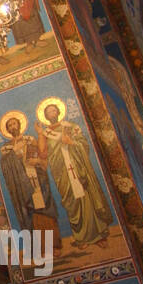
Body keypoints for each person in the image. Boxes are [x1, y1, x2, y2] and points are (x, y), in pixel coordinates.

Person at [37, 102, 113, 247]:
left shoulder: (70, 126)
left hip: (78, 167)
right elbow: (43, 153)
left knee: (86, 197)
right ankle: (81, 237)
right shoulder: (46, 133)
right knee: (71, 201)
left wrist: (71, 142)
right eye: (49, 112)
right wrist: (40, 134)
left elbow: (83, 143)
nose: (52, 114)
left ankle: (99, 235)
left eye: (54, 110)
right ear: (46, 116)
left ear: (59, 112)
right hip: (61, 172)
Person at [0, 113, 58, 242]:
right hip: (22, 185)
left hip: (38, 179)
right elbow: (6, 166)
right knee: (30, 212)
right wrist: (14, 152)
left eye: (14, 123)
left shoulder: (30, 139)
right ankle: (40, 247)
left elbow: (42, 157)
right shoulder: (6, 148)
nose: (13, 126)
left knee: (46, 207)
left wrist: (37, 161)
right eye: (9, 125)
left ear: (19, 125)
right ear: (7, 130)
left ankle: (54, 244)